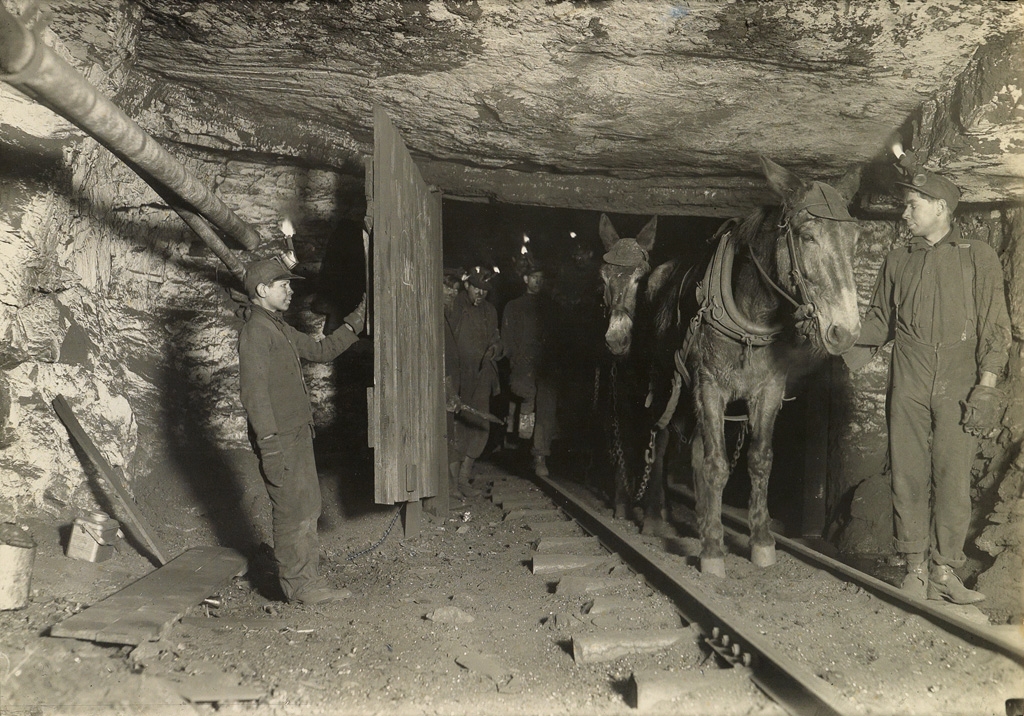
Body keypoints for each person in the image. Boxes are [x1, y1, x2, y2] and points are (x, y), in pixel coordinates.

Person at [843, 158, 1011, 604]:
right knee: (908, 473)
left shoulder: (979, 257)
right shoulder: (897, 260)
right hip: (910, 373)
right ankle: (914, 567)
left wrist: (987, 385)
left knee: (953, 475)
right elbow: (879, 321)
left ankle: (944, 570)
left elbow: (996, 328)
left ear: (940, 207)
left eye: (912, 205)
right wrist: (840, 344)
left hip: (960, 376)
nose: (904, 213)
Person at [238, 256, 366, 605]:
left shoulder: (277, 327)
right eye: (284, 285)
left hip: (296, 433)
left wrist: (355, 323)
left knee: (307, 505)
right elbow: (255, 396)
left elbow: (320, 351)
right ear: (263, 290)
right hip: (279, 438)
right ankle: (299, 585)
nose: (291, 290)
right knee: (291, 509)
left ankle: (306, 578)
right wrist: (269, 447)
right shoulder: (256, 333)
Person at [448, 265, 503, 491]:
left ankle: (464, 476)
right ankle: (451, 480)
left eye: (486, 290)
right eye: (477, 288)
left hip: (482, 374)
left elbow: (497, 339)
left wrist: (495, 349)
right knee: (456, 423)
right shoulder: (455, 305)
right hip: (458, 374)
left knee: (480, 423)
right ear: (467, 284)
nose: (481, 294)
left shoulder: (490, 311)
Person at [502, 254, 557, 478]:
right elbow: (507, 338)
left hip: (545, 367)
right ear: (525, 279)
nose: (537, 281)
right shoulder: (513, 307)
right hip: (523, 367)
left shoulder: (551, 307)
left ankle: (540, 456)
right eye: (533, 277)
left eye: (540, 278)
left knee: (546, 406)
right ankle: (521, 443)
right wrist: (516, 360)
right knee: (526, 397)